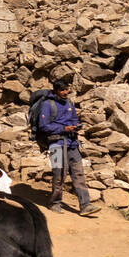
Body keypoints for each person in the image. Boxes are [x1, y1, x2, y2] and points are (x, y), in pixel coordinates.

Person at [37, 78, 98, 217]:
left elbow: (74, 118)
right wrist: (64, 128)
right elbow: (43, 125)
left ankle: (85, 205)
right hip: (56, 145)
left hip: (72, 143)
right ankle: (55, 203)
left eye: (67, 89)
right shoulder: (47, 105)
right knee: (59, 174)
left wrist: (76, 126)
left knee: (79, 174)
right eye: (63, 90)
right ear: (56, 91)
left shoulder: (69, 103)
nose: (66, 92)